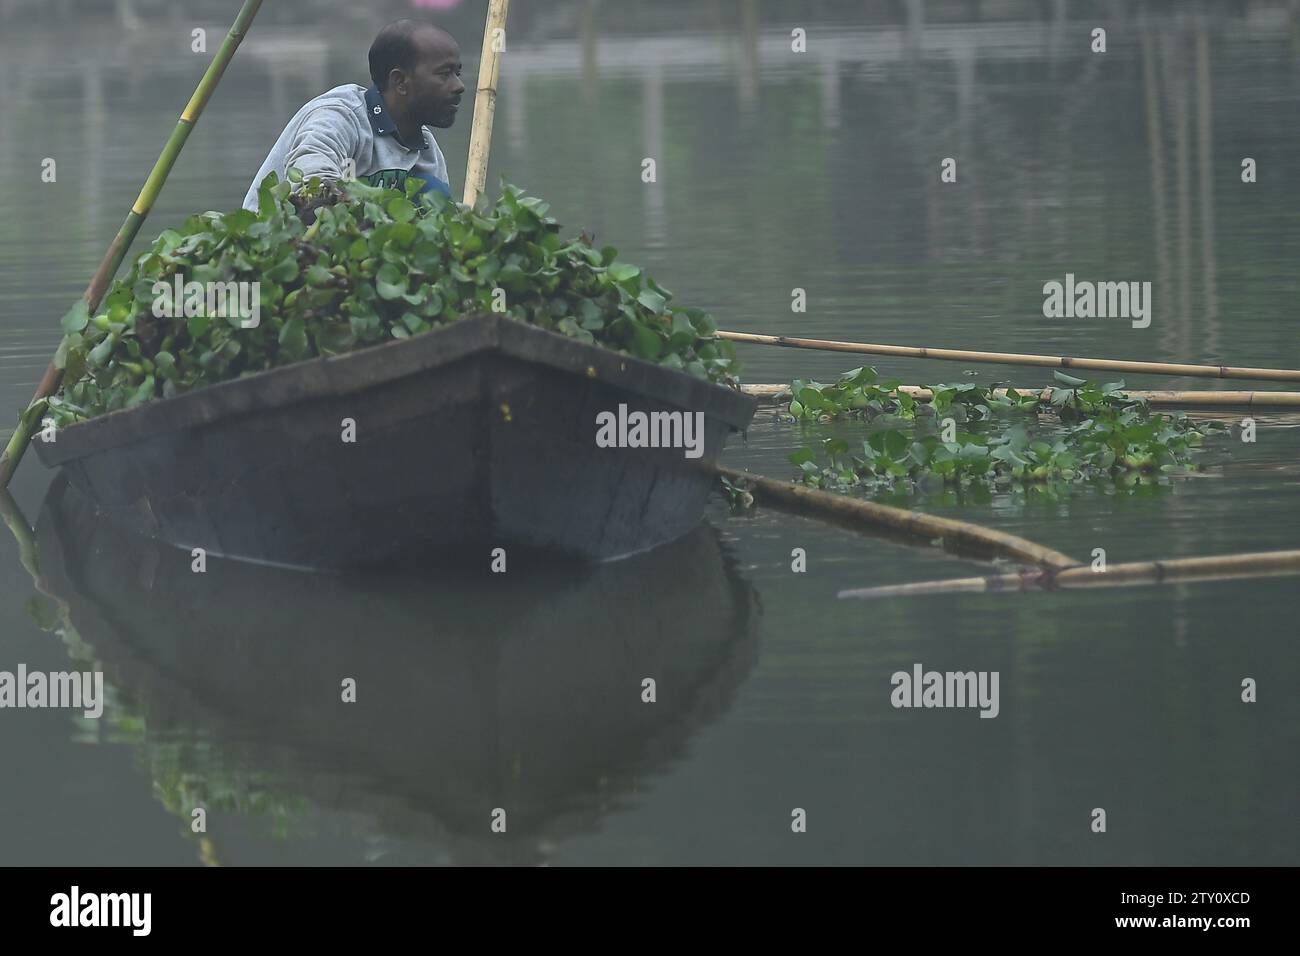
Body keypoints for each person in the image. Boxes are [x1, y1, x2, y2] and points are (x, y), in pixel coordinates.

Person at [242, 20, 466, 216]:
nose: (459, 86)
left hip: (361, 251)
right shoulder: (338, 117)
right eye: (444, 74)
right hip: (286, 244)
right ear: (400, 82)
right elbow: (312, 187)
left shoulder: (426, 150)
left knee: (434, 192)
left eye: (458, 73)